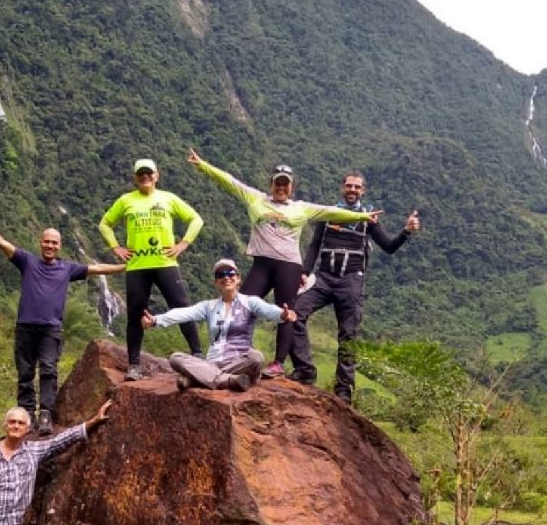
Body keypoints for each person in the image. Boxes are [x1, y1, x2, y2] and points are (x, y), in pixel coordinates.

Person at [184, 148, 375, 378]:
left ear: (291, 186)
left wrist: (363, 217)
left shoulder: (301, 207)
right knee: (239, 304)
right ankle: (232, 355)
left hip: (288, 267)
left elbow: (332, 212)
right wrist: (202, 164)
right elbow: (229, 182)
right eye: (278, 183)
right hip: (262, 265)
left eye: (286, 184)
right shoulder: (255, 198)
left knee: (286, 312)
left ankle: (278, 363)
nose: (281, 188)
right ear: (271, 184)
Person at [0, 208, 124, 430]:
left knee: (49, 369)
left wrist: (126, 267)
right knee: (25, 372)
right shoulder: (27, 261)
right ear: (41, 243)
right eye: (47, 242)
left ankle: (46, 414)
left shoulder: (68, 268)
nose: (50, 246)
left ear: (59, 246)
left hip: (50, 329)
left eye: (54, 243)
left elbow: (98, 268)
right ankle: (27, 414)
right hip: (25, 327)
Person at [292, 171, 420, 405]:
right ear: (342, 188)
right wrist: (304, 272)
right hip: (323, 277)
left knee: (348, 335)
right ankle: (304, 369)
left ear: (363, 191)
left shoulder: (368, 218)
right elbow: (314, 246)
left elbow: (389, 246)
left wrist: (406, 232)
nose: (352, 190)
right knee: (293, 314)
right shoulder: (328, 214)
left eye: (357, 187)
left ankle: (344, 391)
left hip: (351, 280)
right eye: (349, 186)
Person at [99, 158, 204, 375]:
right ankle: (134, 365)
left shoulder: (168, 198)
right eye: (141, 174)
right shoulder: (126, 200)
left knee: (182, 307)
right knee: (135, 313)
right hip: (138, 266)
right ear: (135, 178)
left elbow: (196, 219)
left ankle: (198, 355)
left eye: (149, 173)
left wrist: (183, 244)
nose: (145, 177)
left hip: (165, 262)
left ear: (157, 176)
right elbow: (104, 224)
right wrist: (116, 247)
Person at [145, 260, 296, 391]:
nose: (226, 277)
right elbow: (183, 313)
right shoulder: (209, 306)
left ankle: (198, 378)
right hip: (213, 362)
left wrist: (282, 314)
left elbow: (268, 310)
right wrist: (156, 320)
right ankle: (228, 380)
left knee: (256, 357)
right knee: (176, 358)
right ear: (216, 282)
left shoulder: (250, 302)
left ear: (238, 279)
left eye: (231, 273)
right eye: (221, 274)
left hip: (241, 362)